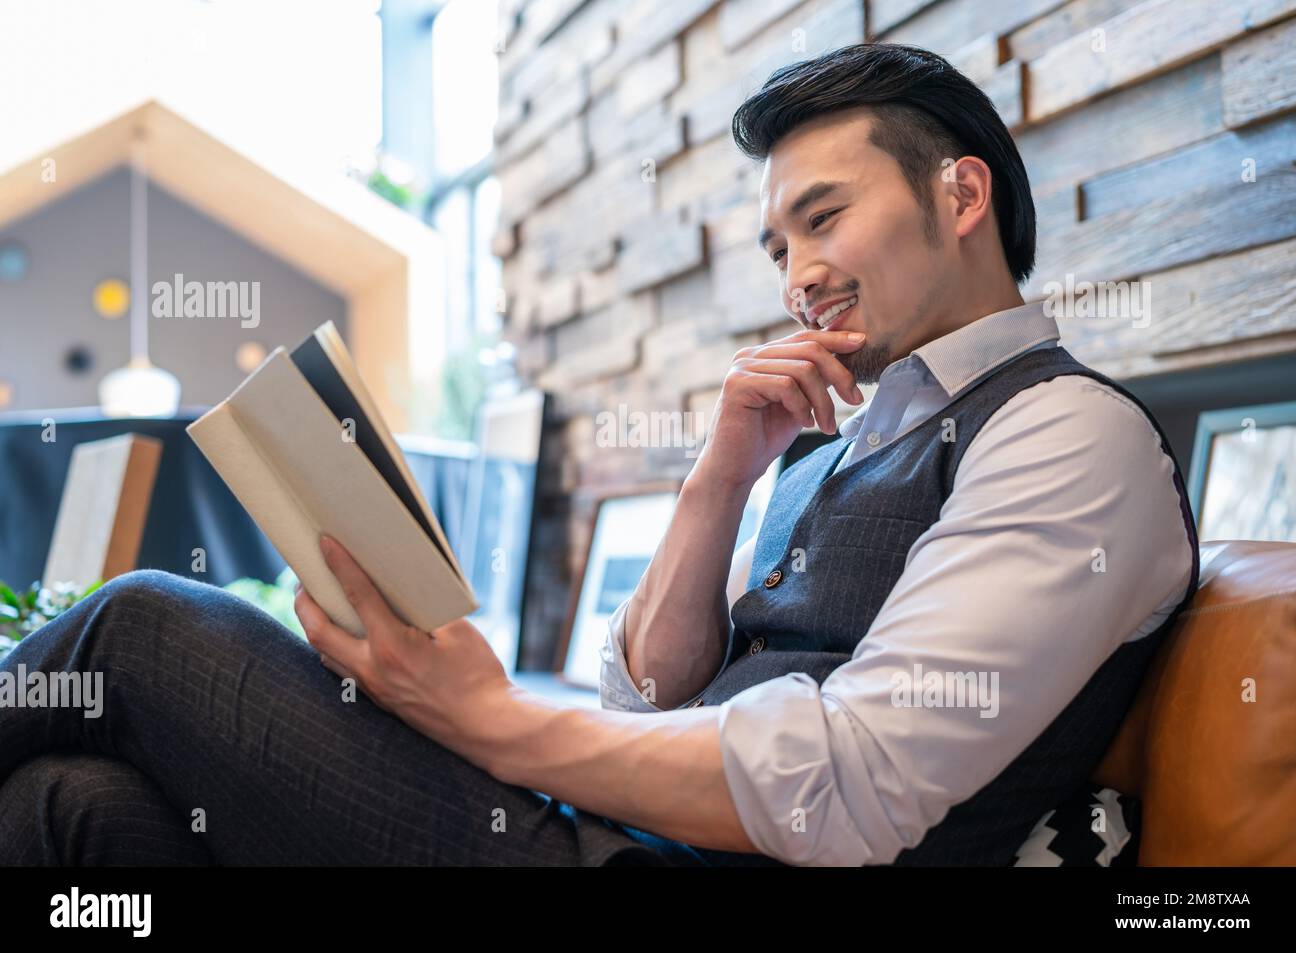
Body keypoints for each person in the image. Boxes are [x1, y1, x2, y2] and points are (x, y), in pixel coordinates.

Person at [0, 42, 1197, 867]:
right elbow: (650, 698)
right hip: (587, 830)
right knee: (71, 810)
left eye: (824, 218)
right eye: (778, 245)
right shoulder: (826, 441)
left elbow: (857, 778)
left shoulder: (1064, 433)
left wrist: (488, 717)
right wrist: (718, 477)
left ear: (963, 192)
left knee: (144, 627)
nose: (798, 275)